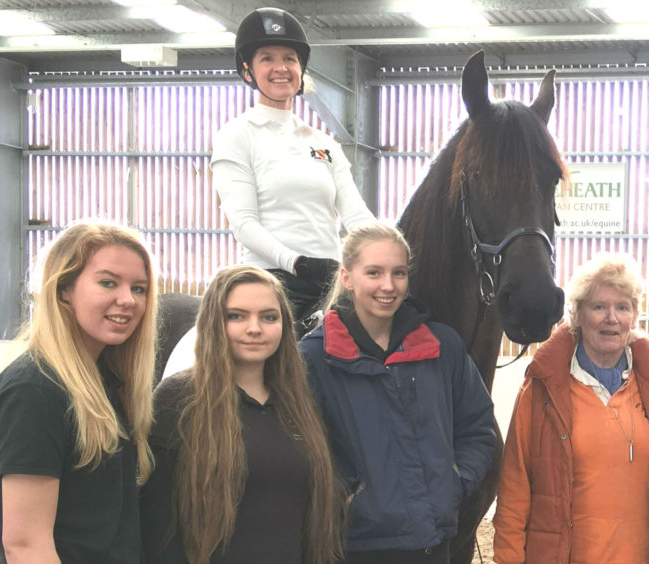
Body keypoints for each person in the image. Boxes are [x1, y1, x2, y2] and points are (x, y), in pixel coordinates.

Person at [300, 222, 497, 562]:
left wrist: (455, 482)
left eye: (399, 273)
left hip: (434, 543)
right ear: (347, 277)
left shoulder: (442, 346)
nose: (388, 286)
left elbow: (478, 427)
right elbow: (301, 446)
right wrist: (345, 494)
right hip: (358, 548)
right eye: (374, 273)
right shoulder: (315, 357)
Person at [0, 221, 158, 563]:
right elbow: (27, 546)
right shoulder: (35, 392)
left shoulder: (103, 385)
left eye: (139, 288)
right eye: (108, 283)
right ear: (63, 288)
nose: (128, 300)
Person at [141, 265, 343, 563]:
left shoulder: (300, 404)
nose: (254, 328)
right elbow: (156, 526)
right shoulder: (180, 399)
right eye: (236, 316)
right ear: (213, 322)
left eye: (268, 317)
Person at [493, 253, 649, 563]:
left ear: (634, 318)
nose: (611, 318)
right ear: (577, 315)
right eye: (598, 307)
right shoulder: (541, 390)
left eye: (623, 307)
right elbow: (514, 492)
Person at [214, 7, 376, 326]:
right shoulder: (236, 135)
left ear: (300, 67)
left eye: (289, 58)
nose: (281, 68)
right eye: (267, 59)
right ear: (248, 70)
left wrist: (392, 250)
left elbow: (357, 215)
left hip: (330, 279)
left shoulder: (323, 142)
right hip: (269, 281)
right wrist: (295, 262)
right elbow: (244, 223)